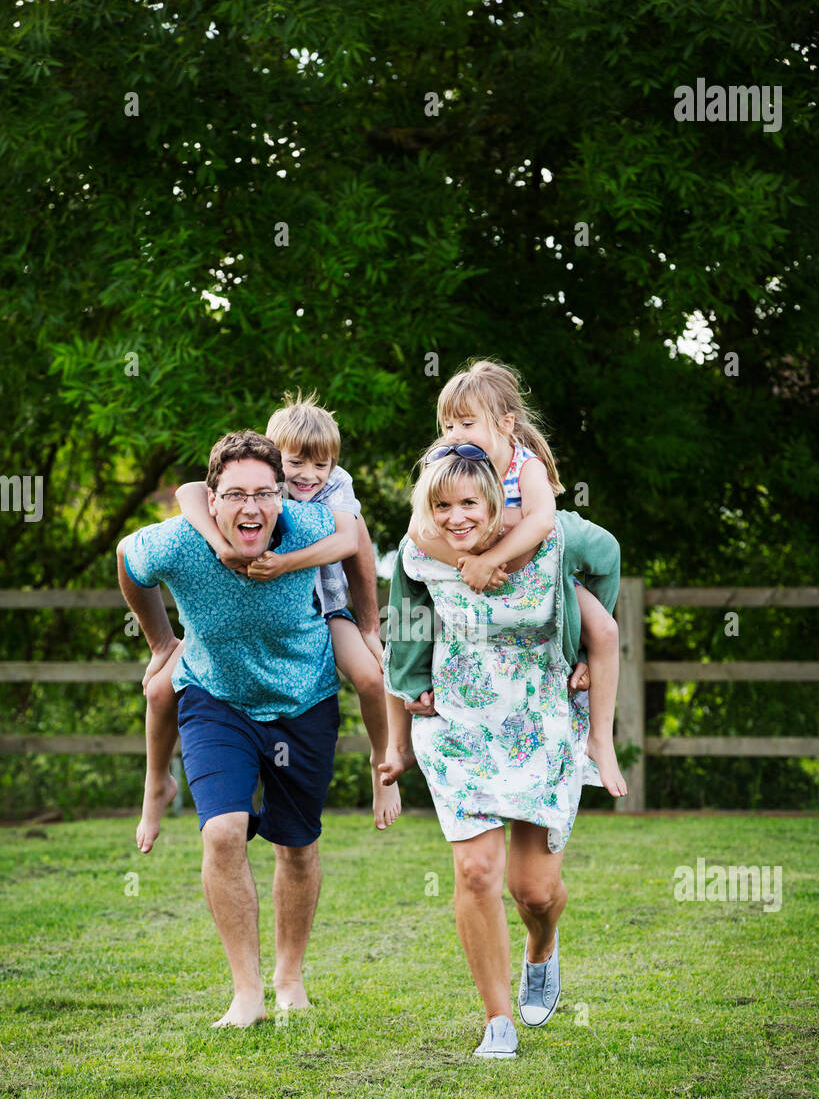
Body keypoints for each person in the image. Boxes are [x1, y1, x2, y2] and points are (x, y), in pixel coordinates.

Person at [380, 450, 620, 1058]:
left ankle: (542, 946)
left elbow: (609, 560)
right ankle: (497, 1020)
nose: (455, 517)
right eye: (441, 505)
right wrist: (398, 737)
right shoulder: (418, 554)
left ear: (494, 501)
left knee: (534, 891)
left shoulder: (552, 540)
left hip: (542, 720)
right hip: (459, 725)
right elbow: (402, 632)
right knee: (476, 872)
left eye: (468, 503)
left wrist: (588, 656)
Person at [117, 430, 342, 1028]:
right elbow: (128, 558)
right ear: (211, 500)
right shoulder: (179, 541)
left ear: (281, 498)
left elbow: (359, 543)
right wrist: (161, 642)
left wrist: (367, 626)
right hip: (215, 696)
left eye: (264, 494)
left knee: (297, 847)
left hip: (303, 699)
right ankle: (247, 993)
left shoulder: (307, 527)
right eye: (237, 494)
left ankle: (289, 978)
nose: (252, 508)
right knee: (222, 832)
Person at [176, 391, 400, 831]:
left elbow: (349, 541)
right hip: (253, 616)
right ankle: (158, 784)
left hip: (324, 609)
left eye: (321, 464)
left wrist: (286, 564)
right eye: (296, 462)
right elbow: (189, 492)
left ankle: (382, 764)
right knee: (163, 686)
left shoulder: (336, 486)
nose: (309, 475)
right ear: (276, 458)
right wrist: (221, 546)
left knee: (372, 678)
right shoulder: (258, 483)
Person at [408, 359, 626, 798]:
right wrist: (464, 563)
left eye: (466, 423)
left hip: (540, 568)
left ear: (506, 425)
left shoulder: (525, 466)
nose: (454, 434)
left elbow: (541, 521)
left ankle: (600, 738)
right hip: (478, 579)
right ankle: (406, 701)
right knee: (408, 599)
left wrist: (491, 558)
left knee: (605, 629)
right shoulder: (446, 463)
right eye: (448, 425)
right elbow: (418, 530)